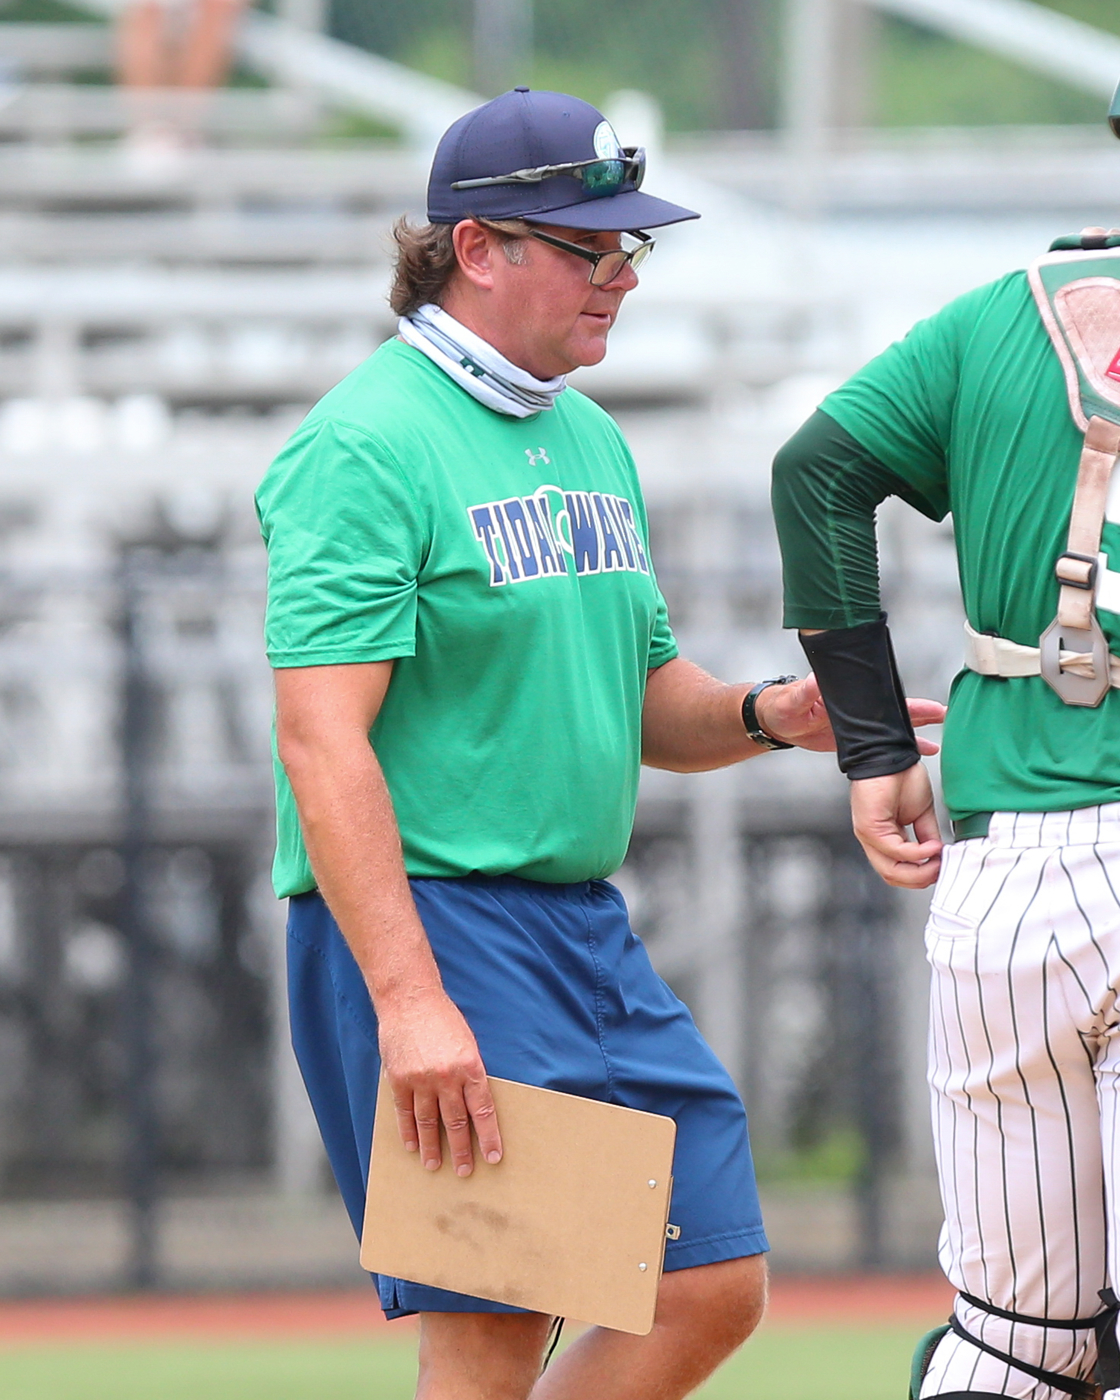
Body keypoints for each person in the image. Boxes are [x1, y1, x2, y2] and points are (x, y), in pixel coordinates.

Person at [257, 87, 941, 1400]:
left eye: (631, 247)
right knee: (501, 1322)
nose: (621, 273)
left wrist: (761, 716)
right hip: (441, 920)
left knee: (708, 1285)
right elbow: (319, 742)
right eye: (588, 245)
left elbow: (637, 700)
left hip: (577, 926)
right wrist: (411, 1003)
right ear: (477, 248)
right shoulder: (364, 443)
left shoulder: (587, 437)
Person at [772, 90, 1120, 1400]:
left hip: (1016, 875)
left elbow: (814, 469)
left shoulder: (999, 314)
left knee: (1012, 1350)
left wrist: (871, 743)